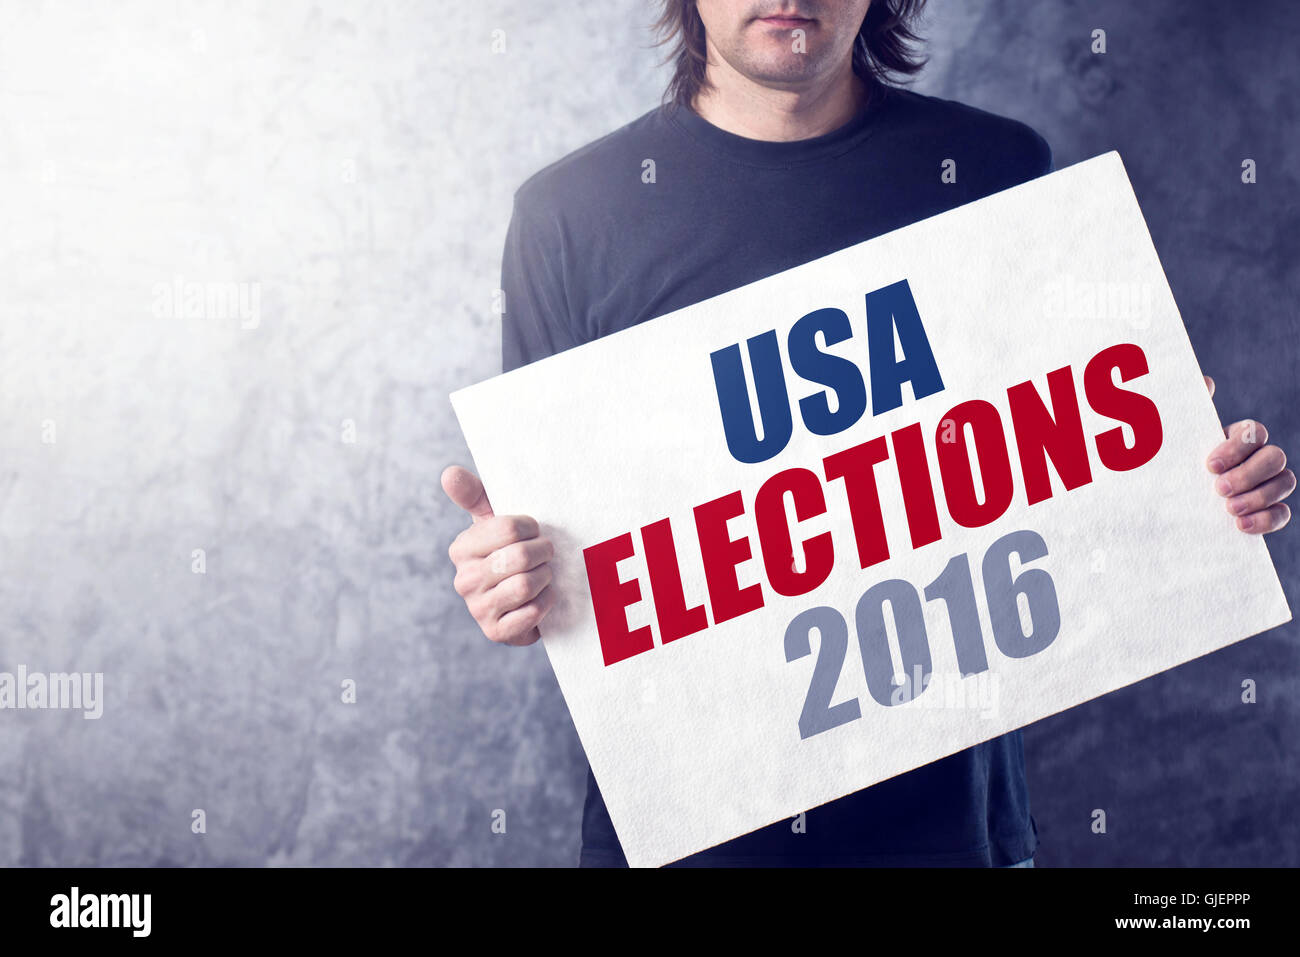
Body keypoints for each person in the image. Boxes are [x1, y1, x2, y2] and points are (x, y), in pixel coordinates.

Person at [442, 0, 1295, 867]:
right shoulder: (567, 220)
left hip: (953, 836)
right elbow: (551, 556)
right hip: (686, 844)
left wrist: (1197, 481)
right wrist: (511, 582)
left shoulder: (997, 173)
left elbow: (1081, 494)